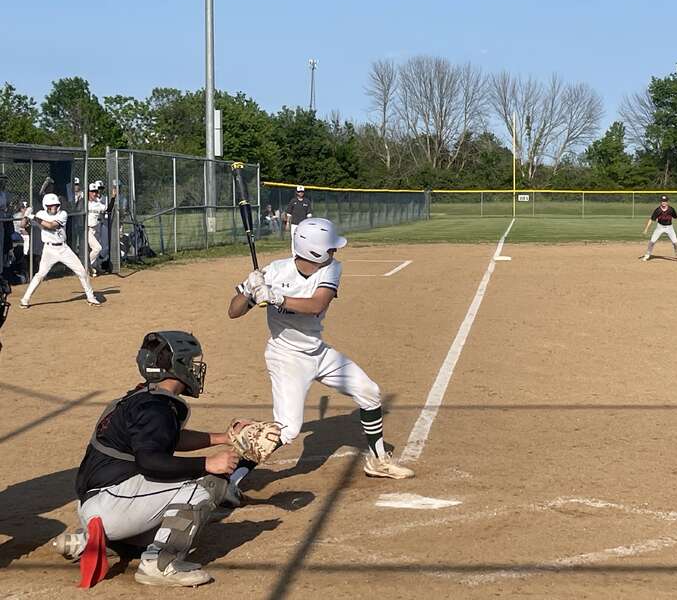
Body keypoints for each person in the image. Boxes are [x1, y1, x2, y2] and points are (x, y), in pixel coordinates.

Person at [227, 217, 414, 483]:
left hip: (318, 352)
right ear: (313, 250)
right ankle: (231, 478)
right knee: (288, 429)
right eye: (330, 247)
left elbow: (316, 304)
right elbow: (233, 312)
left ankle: (378, 460)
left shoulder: (331, 269)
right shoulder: (273, 272)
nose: (335, 251)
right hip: (287, 357)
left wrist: (276, 296)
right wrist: (249, 291)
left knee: (369, 392)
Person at [52, 331, 243, 587]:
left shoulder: (140, 396)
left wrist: (224, 437)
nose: (193, 369)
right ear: (176, 366)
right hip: (113, 504)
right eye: (189, 362)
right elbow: (150, 461)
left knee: (177, 516)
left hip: (102, 502)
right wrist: (207, 464)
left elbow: (166, 439)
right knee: (208, 484)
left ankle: (91, 541)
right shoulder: (156, 408)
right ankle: (159, 564)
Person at [19, 193, 101, 308]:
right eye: (51, 206)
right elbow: (23, 225)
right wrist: (26, 215)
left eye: (56, 205)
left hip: (63, 249)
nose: (55, 208)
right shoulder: (40, 214)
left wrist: (33, 217)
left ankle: (91, 297)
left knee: (82, 271)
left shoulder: (63, 214)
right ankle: (25, 299)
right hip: (49, 250)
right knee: (40, 275)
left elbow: (52, 226)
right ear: (45, 206)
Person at [641, 195, 677, 262]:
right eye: (662, 201)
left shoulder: (671, 209)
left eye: (665, 201)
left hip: (669, 228)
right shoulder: (657, 210)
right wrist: (646, 229)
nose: (664, 202)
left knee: (675, 242)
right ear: (660, 202)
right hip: (660, 227)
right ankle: (647, 255)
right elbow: (651, 220)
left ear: (667, 202)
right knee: (652, 242)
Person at [86, 183, 108, 276]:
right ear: (88, 192)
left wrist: (113, 198)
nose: (94, 193)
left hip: (97, 228)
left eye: (95, 191)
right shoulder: (84, 203)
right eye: (92, 191)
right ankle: (86, 266)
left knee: (94, 250)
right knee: (97, 248)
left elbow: (108, 209)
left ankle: (94, 267)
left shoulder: (98, 203)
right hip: (87, 229)